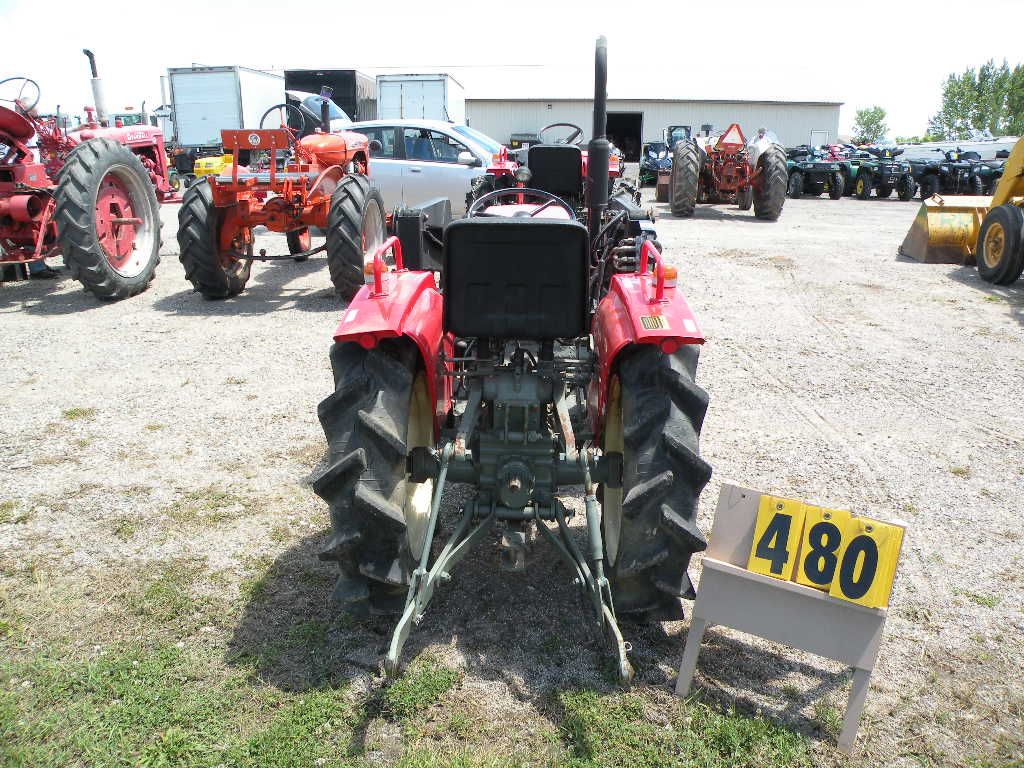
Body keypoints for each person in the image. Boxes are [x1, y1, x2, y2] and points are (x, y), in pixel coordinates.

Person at [15, 97, 59, 279]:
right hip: (27, 182)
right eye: (33, 113)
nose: (36, 117)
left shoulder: (31, 131)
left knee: (29, 224)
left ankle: (37, 267)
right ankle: (37, 268)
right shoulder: (18, 131)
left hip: (28, 179)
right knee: (34, 220)